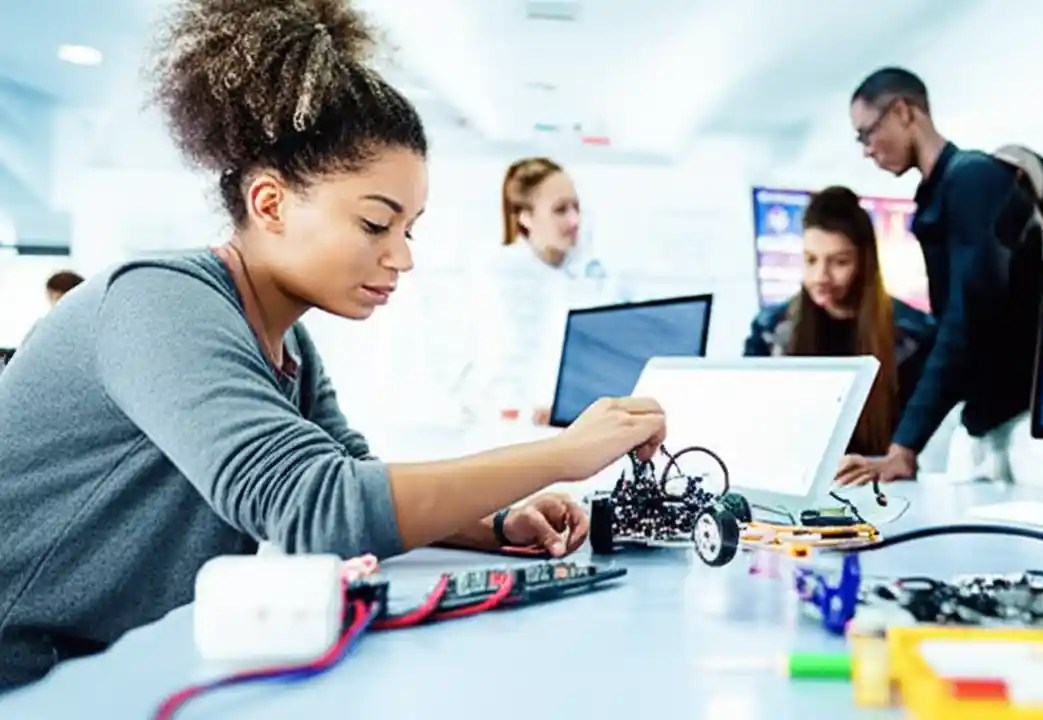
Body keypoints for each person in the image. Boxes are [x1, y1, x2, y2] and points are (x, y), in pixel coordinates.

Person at [0, 0, 665, 690]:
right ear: (270, 204)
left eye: (410, 228)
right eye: (377, 223)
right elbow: (317, 509)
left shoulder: (289, 345)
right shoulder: (158, 303)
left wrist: (493, 523)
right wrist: (565, 454)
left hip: (94, 671)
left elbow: (351, 479)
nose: (402, 257)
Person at [838, 67, 1043, 487]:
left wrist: (905, 446)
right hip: (994, 417)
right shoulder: (942, 193)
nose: (866, 150)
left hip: (1032, 423)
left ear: (904, 111)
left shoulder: (972, 179)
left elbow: (968, 315)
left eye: (867, 133)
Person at [744, 186, 935, 457]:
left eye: (839, 262)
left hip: (883, 484)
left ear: (864, 262)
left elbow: (920, 436)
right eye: (810, 260)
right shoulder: (769, 330)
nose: (821, 276)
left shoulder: (913, 335)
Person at [466, 157, 620, 426]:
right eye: (560, 210)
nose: (574, 220)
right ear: (525, 217)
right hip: (514, 426)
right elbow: (502, 366)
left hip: (580, 420)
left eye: (576, 207)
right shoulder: (500, 275)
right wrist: (527, 410)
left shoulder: (592, 272)